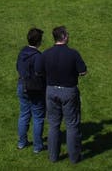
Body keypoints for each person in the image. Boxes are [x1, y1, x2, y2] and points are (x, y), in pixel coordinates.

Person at [40, 26, 87, 164]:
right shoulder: (73, 54)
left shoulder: (46, 53)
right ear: (64, 37)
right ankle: (74, 158)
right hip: (68, 91)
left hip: (51, 91)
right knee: (72, 125)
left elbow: (39, 71)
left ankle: (53, 157)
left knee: (53, 124)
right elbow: (83, 71)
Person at [16, 27, 46, 152]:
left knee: (24, 115)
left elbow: (18, 67)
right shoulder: (38, 56)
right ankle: (37, 146)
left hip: (22, 85)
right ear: (39, 42)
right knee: (38, 117)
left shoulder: (22, 52)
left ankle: (22, 143)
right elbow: (41, 73)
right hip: (35, 89)